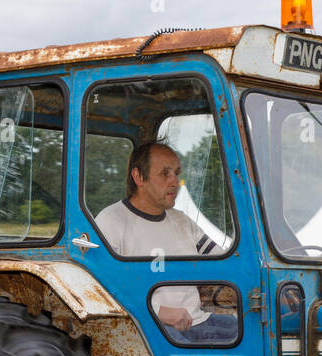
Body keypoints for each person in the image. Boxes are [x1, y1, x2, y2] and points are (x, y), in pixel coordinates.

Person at [94, 141, 233, 344]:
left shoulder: (181, 221)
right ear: (138, 177)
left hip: (198, 321)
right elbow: (98, 289)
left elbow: (223, 262)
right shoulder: (110, 222)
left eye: (176, 173)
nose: (175, 182)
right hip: (148, 327)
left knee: (260, 337)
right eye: (165, 174)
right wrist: (158, 311)